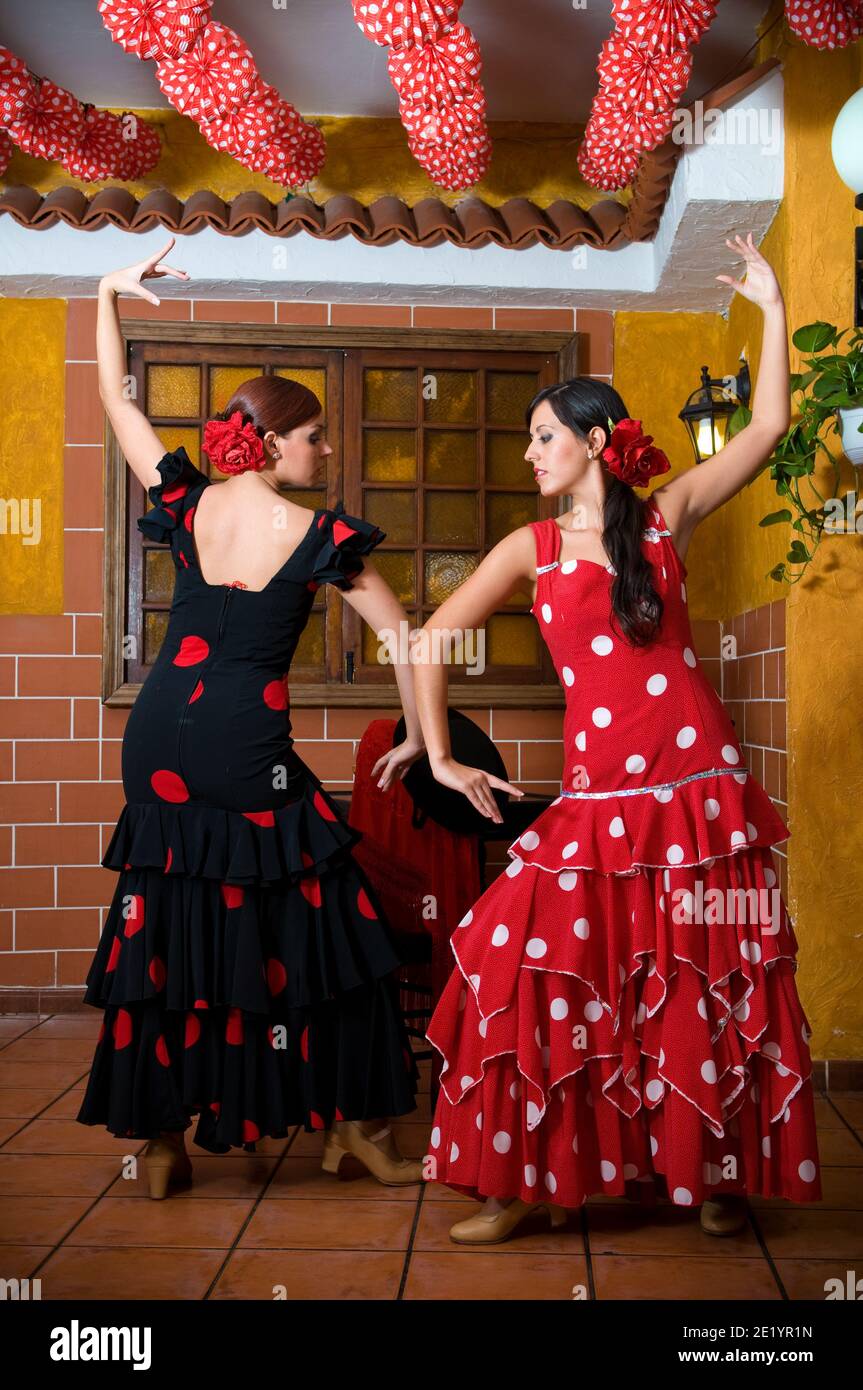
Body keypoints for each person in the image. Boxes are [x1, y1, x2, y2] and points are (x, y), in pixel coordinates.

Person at [413, 233, 822, 1243]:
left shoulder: (665, 517)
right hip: (597, 797)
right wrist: (436, 752)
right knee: (537, 969)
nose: (529, 452)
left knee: (702, 975)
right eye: (527, 439)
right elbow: (424, 637)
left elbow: (767, 424)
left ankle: (714, 1173)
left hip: (695, 787)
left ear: (597, 441)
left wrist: (771, 308)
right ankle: (525, 1184)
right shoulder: (531, 549)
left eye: (543, 435)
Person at [76, 238, 427, 1198]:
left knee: (165, 927)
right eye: (315, 436)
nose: (326, 451)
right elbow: (406, 638)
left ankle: (160, 1142)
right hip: (244, 748)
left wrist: (106, 290)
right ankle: (356, 1128)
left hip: (154, 742)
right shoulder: (317, 538)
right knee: (332, 925)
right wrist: (420, 736)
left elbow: (116, 399)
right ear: (273, 442)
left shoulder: (187, 501)